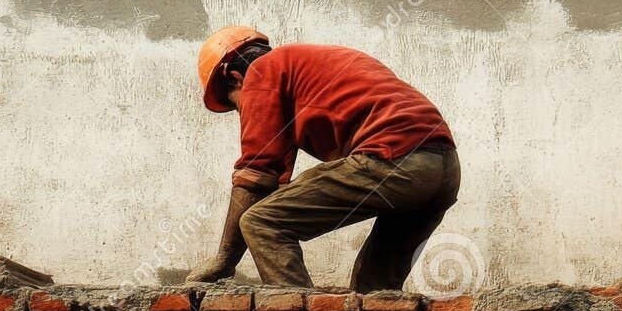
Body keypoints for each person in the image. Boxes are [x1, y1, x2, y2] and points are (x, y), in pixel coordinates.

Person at [187, 26, 460, 291]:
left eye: (236, 104)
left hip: (395, 158)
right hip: (442, 171)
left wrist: (224, 260)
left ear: (234, 77)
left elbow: (256, 175)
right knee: (374, 292)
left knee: (262, 222)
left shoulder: (262, 71)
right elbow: (272, 173)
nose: (244, 114)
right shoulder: (308, 63)